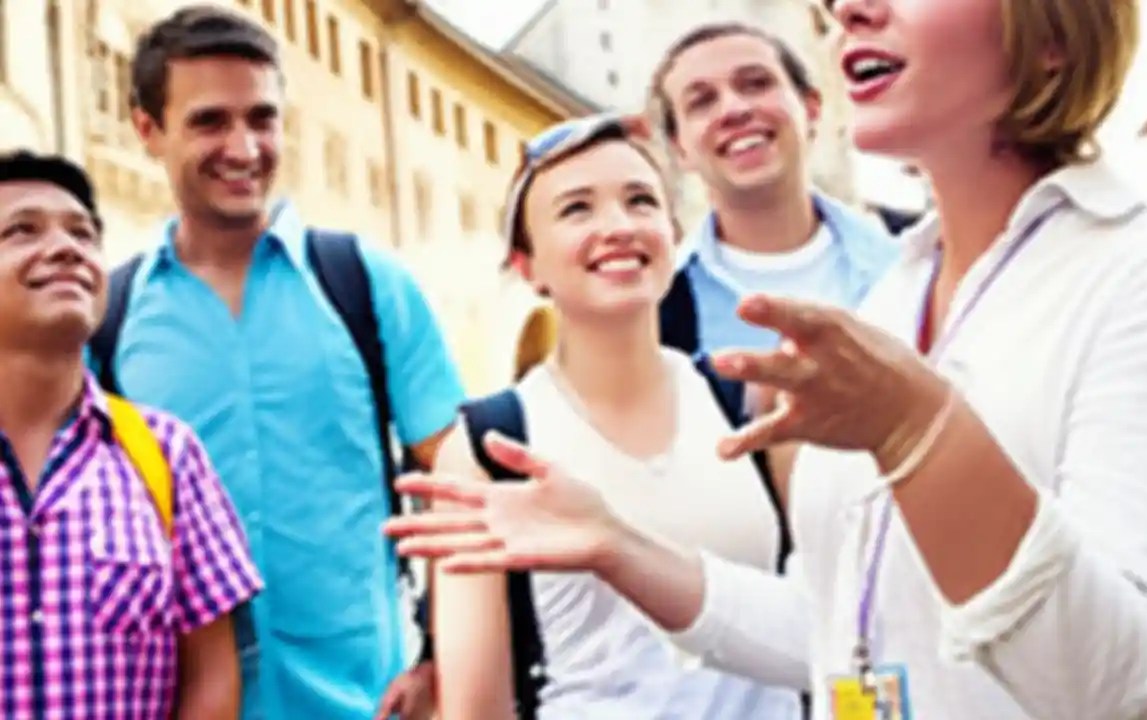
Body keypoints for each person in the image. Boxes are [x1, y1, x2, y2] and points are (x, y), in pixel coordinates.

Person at [388, 0, 1147, 718]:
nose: (848, 9)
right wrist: (617, 546)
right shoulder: (892, 302)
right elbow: (832, 626)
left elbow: (1117, 687)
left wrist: (920, 431)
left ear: (1049, 33)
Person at [86, 6, 465, 719]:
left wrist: (439, 658)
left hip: (368, 704)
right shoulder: (107, 319)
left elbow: (457, 485)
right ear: (148, 130)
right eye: (209, 122)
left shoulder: (366, 285)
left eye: (262, 118)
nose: (244, 146)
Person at [386, 113, 803, 719]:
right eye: (577, 209)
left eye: (640, 201)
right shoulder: (488, 446)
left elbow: (839, 626)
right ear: (527, 267)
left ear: (672, 232)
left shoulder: (752, 402)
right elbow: (476, 708)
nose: (618, 227)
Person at [0, 150, 261, 718]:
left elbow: (213, 672)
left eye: (83, 234)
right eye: (21, 230)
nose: (66, 248)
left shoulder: (165, 455)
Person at [649, 22, 898, 356]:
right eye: (702, 101)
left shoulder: (913, 262)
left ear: (811, 108)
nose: (734, 110)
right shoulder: (658, 309)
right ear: (680, 149)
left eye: (756, 84)